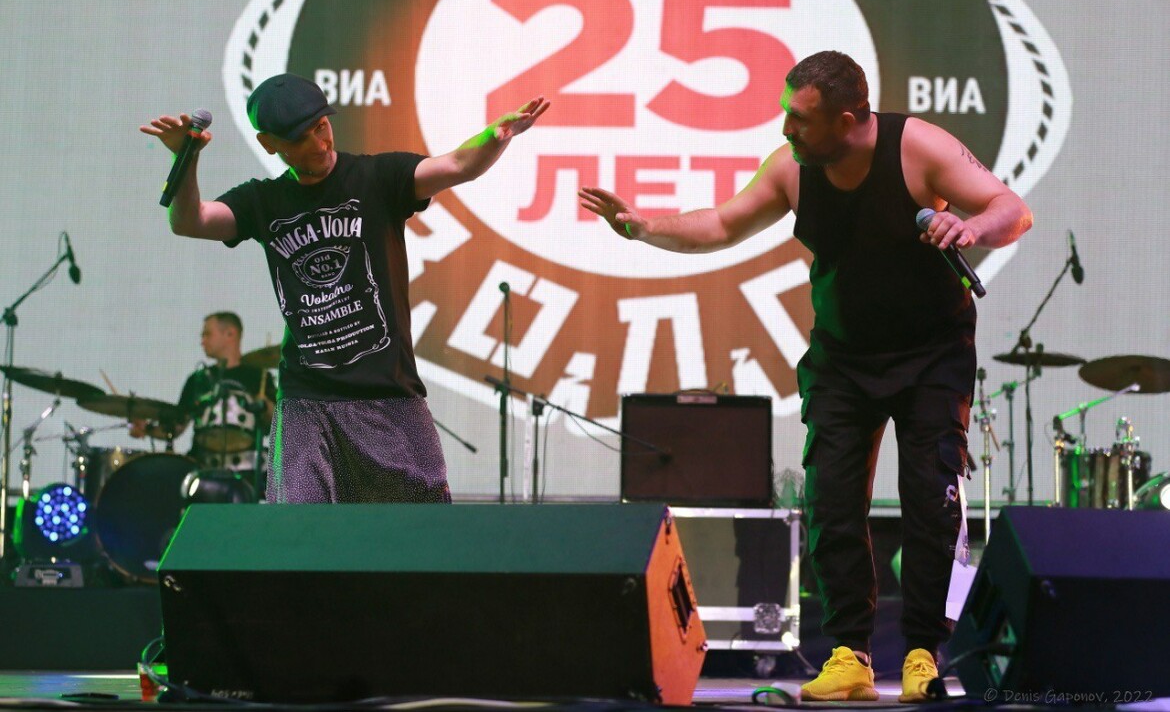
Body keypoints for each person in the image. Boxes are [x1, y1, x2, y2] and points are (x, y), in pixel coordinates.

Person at [579, 51, 1031, 702]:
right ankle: (849, 656)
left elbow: (1012, 208)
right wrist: (644, 227)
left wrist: (972, 224)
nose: (786, 129)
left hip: (933, 356)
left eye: (800, 119)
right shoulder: (792, 168)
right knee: (831, 504)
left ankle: (922, 655)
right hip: (843, 359)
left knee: (930, 503)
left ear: (847, 119)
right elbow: (723, 223)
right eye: (787, 114)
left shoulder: (918, 148)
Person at [141, 74, 548, 504]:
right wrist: (185, 157)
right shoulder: (262, 201)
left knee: (419, 526)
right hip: (306, 402)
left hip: (387, 395)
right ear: (269, 144)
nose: (318, 145)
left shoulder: (378, 177)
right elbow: (190, 221)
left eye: (321, 127)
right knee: (301, 531)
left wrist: (496, 136)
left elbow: (458, 165)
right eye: (300, 139)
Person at [131, 312, 275, 494]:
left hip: (247, 469)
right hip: (202, 467)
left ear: (230, 334)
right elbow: (177, 426)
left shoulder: (257, 376)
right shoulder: (197, 379)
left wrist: (265, 405)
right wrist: (147, 429)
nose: (202, 341)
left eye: (207, 334)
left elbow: (275, 423)